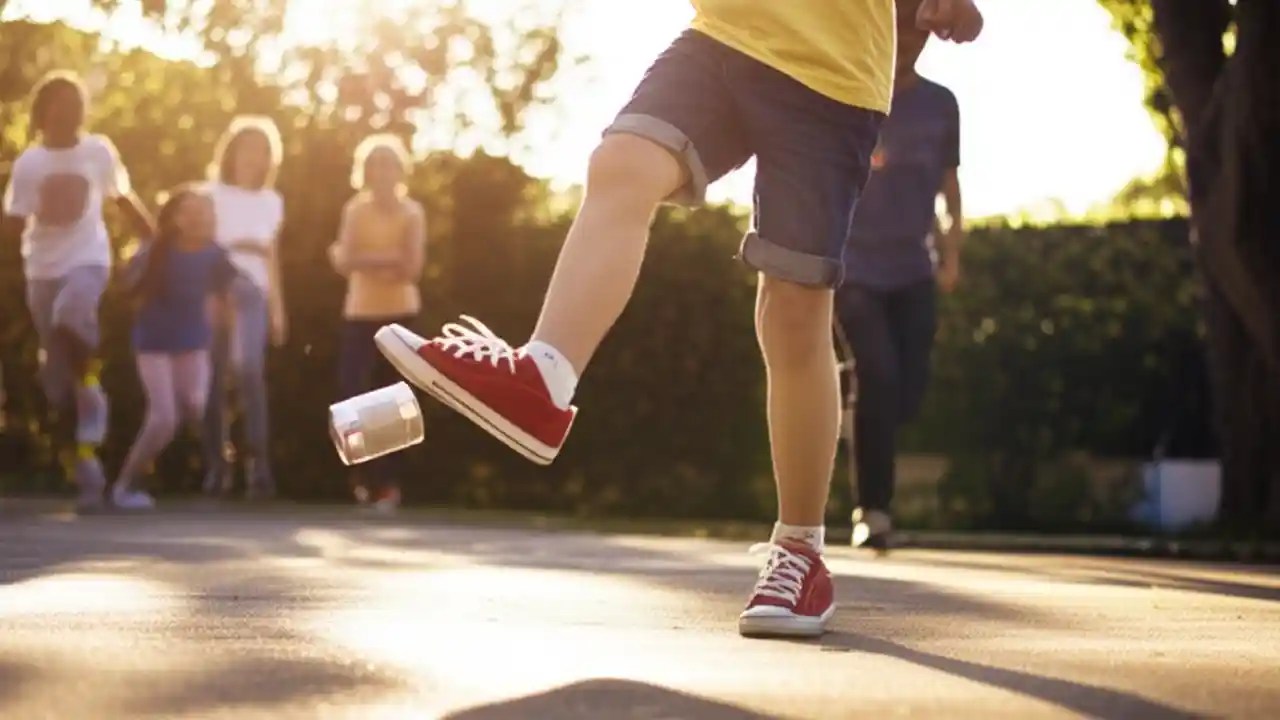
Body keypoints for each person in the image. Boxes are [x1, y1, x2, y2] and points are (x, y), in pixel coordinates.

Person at [376, 0, 983, 639]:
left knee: (793, 309)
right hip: (725, 32)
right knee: (622, 165)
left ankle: (800, 551)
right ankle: (543, 378)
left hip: (829, 72)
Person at [838, 4, 965, 551]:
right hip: (853, 267)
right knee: (879, 375)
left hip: (913, 267)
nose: (909, 40)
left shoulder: (941, 105)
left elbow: (951, 190)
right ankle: (874, 510)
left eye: (919, 31)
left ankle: (858, 396)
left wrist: (952, 253)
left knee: (906, 390)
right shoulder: (848, 91)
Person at [1, 70, 155, 512]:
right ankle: (87, 466)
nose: (70, 112)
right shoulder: (30, 164)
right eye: (59, 104)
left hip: (88, 259)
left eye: (77, 103)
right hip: (42, 270)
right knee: (57, 384)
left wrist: (154, 240)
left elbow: (122, 199)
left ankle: (86, 365)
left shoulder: (98, 151)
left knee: (72, 312)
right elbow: (13, 222)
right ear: (42, 113)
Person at [114, 185, 237, 510]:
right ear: (178, 219)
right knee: (164, 419)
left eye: (206, 214)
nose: (201, 220)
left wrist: (232, 339)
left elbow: (229, 299)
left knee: (196, 404)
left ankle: (212, 467)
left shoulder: (216, 255)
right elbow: (127, 282)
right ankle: (125, 485)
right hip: (154, 344)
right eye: (193, 213)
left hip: (193, 343)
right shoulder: (157, 249)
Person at [329, 134, 427, 512]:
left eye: (389, 164)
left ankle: (389, 486)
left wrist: (364, 260)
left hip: (401, 314)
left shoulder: (412, 213)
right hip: (358, 314)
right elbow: (346, 259)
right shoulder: (355, 210)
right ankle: (362, 481)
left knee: (394, 401)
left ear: (400, 170)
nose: (382, 172)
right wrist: (386, 261)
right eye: (375, 164)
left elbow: (411, 268)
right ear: (365, 171)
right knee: (352, 395)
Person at [202, 116, 287, 500]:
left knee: (249, 370)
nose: (254, 158)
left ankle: (260, 466)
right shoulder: (212, 195)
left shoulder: (272, 201)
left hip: (253, 293)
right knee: (215, 381)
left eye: (262, 151)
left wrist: (278, 309)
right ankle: (218, 467)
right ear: (231, 153)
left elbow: (271, 256)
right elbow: (206, 248)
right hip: (217, 289)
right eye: (247, 149)